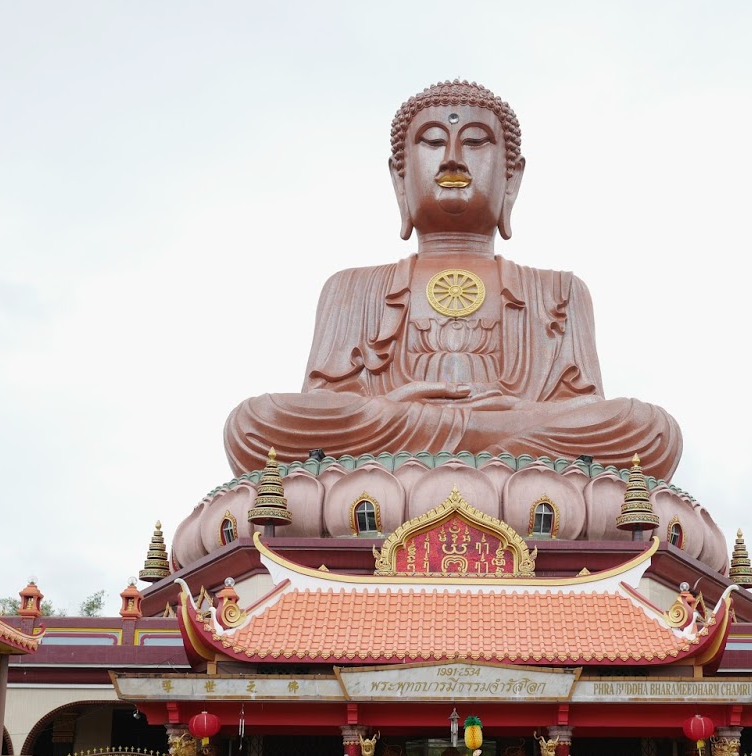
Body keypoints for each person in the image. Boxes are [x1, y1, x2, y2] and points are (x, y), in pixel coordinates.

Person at [223, 80, 683, 480]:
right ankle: (483, 454)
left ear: (512, 178)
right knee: (253, 422)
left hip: (405, 473)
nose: (453, 160)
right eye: (432, 142)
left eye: (477, 142)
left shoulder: (560, 291)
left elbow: (582, 413)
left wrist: (520, 415)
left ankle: (462, 457)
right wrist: (395, 409)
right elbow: (323, 410)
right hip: (486, 469)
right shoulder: (351, 288)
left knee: (647, 428)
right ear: (398, 178)